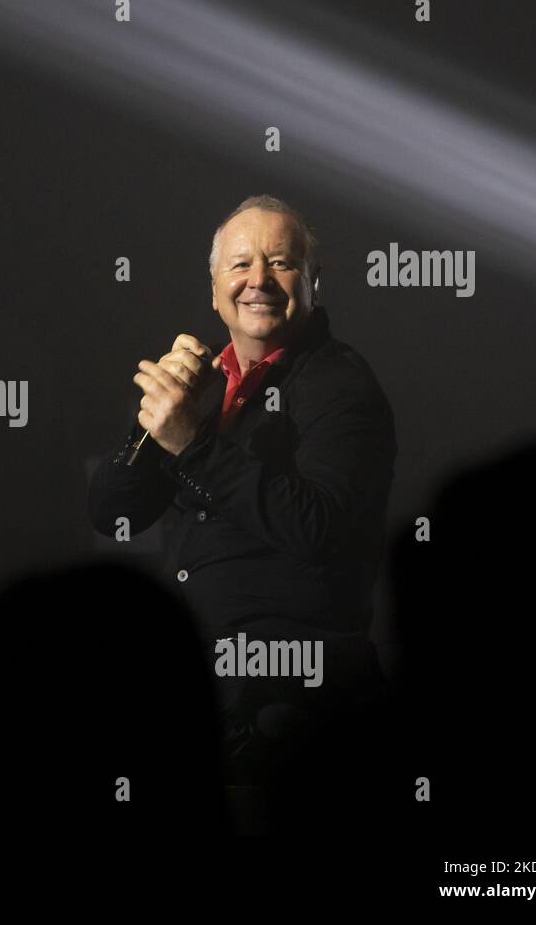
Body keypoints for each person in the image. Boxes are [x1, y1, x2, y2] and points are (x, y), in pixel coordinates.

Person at [88, 195, 397, 820]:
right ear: (213, 290)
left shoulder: (339, 386)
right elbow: (111, 512)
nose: (257, 280)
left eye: (280, 263)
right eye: (240, 265)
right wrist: (156, 424)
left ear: (311, 283)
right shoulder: (209, 387)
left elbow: (319, 528)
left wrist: (195, 445)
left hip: (293, 707)